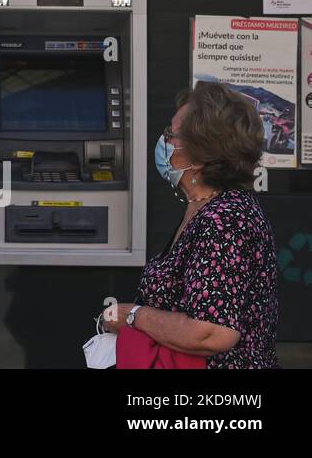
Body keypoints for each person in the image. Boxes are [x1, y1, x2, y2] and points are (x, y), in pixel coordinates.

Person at [103, 82, 279, 368]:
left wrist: (133, 315)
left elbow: (211, 332)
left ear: (199, 156)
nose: (162, 141)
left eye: (170, 134)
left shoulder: (226, 221)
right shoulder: (204, 208)